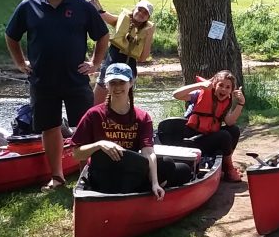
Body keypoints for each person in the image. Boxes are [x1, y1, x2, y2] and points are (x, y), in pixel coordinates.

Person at [5, 0, 109, 190]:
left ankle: (87, 173)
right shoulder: (28, 6)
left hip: (75, 79)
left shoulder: (80, 5)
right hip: (42, 81)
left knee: (83, 127)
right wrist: (21, 63)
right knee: (49, 127)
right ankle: (57, 177)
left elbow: (102, 35)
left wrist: (95, 63)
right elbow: (11, 36)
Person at [71, 64, 191, 195]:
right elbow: (76, 153)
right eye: (113, 83)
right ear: (106, 85)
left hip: (130, 173)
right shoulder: (93, 114)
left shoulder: (142, 117)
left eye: (122, 82)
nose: (117, 87)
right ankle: (134, 193)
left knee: (178, 168)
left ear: (131, 82)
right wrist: (99, 145)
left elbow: (148, 152)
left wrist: (155, 182)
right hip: (103, 175)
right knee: (172, 168)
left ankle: (145, 192)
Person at [171, 70, 245, 182]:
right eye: (221, 85)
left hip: (208, 138)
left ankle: (225, 166)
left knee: (233, 130)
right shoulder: (200, 93)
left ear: (231, 90)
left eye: (228, 87)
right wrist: (199, 85)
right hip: (192, 141)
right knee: (224, 135)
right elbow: (176, 95)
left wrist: (240, 103)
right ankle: (229, 169)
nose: (224, 89)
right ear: (214, 85)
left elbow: (229, 122)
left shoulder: (226, 101)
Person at [89, 0, 155, 103]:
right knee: (95, 104)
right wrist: (96, 4)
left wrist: (149, 37)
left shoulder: (147, 32)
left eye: (145, 13)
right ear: (134, 9)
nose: (141, 13)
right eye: (139, 9)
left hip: (128, 72)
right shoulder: (122, 20)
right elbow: (103, 14)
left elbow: (143, 58)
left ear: (148, 17)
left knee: (120, 107)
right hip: (109, 67)